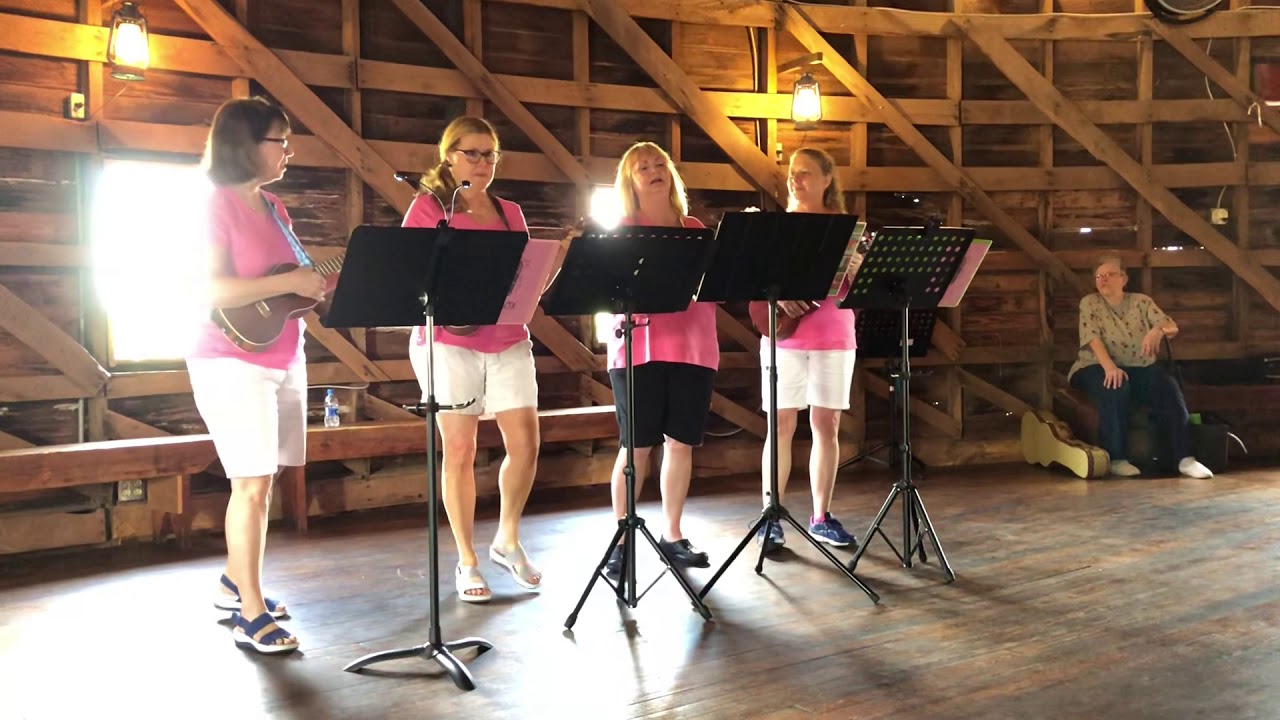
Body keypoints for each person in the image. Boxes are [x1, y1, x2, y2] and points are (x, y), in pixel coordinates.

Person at [189, 97, 322, 654]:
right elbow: (210, 289)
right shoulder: (213, 206)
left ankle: (232, 582)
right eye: (280, 140)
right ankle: (250, 613)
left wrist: (310, 285)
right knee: (251, 483)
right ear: (246, 144)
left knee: (270, 474)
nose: (289, 151)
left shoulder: (274, 207)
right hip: (229, 359)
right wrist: (287, 283)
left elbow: (293, 281)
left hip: (284, 353)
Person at [405, 116, 542, 603]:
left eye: (490, 154)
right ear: (450, 157)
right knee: (460, 449)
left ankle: (507, 538)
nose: (483, 163)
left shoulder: (511, 212)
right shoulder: (428, 207)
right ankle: (466, 560)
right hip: (449, 340)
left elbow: (524, 281)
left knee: (525, 443)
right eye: (473, 153)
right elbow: (410, 274)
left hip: (507, 336)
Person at [603, 141, 718, 579]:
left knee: (681, 443)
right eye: (642, 167)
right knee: (635, 447)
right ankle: (621, 541)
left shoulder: (694, 228)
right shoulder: (620, 230)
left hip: (693, 345)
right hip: (639, 348)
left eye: (659, 164)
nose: (654, 171)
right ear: (629, 182)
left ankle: (673, 535)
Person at [755, 147, 862, 554]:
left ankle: (821, 516)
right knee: (780, 425)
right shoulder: (775, 229)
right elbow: (755, 280)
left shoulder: (848, 229)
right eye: (792, 173)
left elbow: (858, 289)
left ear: (827, 180)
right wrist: (776, 294)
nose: (795, 179)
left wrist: (859, 269)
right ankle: (771, 516)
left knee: (827, 425)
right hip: (784, 336)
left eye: (805, 173)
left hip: (833, 334)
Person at [1067, 253, 1213, 479]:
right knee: (1115, 385)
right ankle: (1117, 458)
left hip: (1139, 367)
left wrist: (1158, 330)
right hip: (1095, 366)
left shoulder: (1141, 302)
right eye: (1099, 276)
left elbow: (1171, 326)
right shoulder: (1090, 303)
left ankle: (1185, 459)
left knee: (1167, 386)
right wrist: (1110, 368)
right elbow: (1091, 338)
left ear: (1123, 279)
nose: (1103, 279)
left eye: (1110, 274)